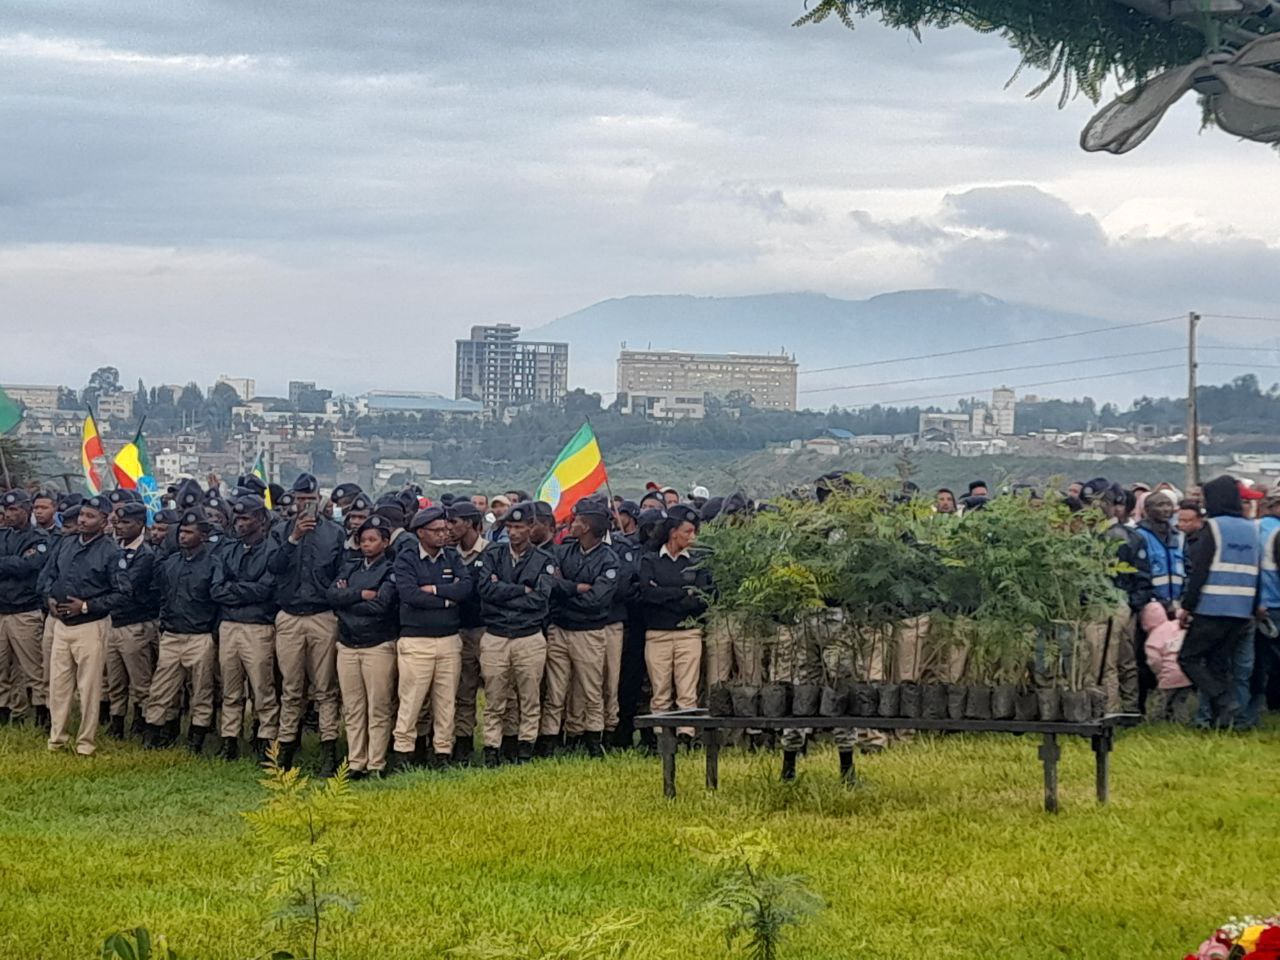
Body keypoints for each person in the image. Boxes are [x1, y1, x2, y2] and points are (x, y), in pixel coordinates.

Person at [268, 473, 345, 772]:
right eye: (300, 500)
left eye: (310, 500)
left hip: (322, 615)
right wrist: (294, 538)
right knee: (291, 687)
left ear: (318, 498)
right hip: (289, 616)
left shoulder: (334, 533)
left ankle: (328, 749)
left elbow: (342, 573)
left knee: (325, 688)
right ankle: (286, 747)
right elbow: (273, 566)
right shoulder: (280, 530)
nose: (305, 505)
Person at [391, 506, 472, 770]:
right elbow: (410, 596)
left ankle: (442, 754)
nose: (443, 535)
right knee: (412, 701)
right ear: (421, 532)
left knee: (446, 701)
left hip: (449, 639)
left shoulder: (451, 556)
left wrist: (436, 590)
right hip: (417, 641)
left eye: (445, 530)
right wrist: (447, 601)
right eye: (436, 531)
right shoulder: (406, 558)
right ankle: (404, 753)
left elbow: (465, 588)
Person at [39, 494, 121, 756]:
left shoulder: (111, 551)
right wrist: (50, 598)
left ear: (104, 521)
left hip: (91, 625)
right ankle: (57, 739)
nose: (83, 520)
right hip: (61, 623)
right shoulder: (66, 543)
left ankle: (85, 743)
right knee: (59, 684)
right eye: (82, 515)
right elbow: (47, 575)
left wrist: (86, 606)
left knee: (89, 687)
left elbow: (122, 592)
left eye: (90, 516)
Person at [476, 502, 554, 766]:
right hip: (496, 634)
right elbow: (485, 591)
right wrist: (521, 590)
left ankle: (525, 748)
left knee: (529, 697)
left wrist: (504, 590)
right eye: (509, 527)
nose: (513, 532)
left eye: (519, 527)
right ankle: (492, 748)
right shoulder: (493, 554)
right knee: (495, 697)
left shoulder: (544, 560)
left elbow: (541, 599)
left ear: (531, 528)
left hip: (528, 636)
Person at [539, 499, 619, 757]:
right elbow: (549, 583)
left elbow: (598, 599)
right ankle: (550, 741)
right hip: (560, 628)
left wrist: (565, 592)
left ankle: (594, 741)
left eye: (577, 521)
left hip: (589, 631)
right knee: (555, 689)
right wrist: (576, 588)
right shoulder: (564, 550)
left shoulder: (609, 559)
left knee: (591, 689)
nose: (572, 524)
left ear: (586, 527)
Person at [1178, 475, 1259, 729]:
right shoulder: (1251, 528)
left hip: (1212, 606)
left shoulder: (1213, 527)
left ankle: (1225, 701)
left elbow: (1200, 570)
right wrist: (1254, 608)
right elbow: (1256, 572)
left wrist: (1187, 606)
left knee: (1188, 658)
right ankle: (1221, 722)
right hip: (1242, 610)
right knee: (1217, 666)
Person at [328, 515, 399, 779]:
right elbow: (333, 596)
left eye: (372, 540)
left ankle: (376, 762)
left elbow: (381, 605)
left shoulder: (390, 570)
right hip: (347, 643)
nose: (367, 545)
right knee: (353, 706)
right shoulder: (350, 567)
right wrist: (360, 594)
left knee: (378, 705)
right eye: (363, 540)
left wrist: (348, 601)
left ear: (385, 541)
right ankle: (355, 761)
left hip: (377, 644)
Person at [210, 494, 279, 761]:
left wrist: (235, 589)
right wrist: (244, 590)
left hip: (258, 627)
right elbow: (216, 589)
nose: (239, 523)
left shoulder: (273, 550)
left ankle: (265, 738)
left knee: (262, 687)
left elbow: (266, 590)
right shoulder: (229, 549)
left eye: (245, 518)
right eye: (237, 518)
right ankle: (230, 739)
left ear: (261, 519)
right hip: (229, 626)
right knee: (231, 687)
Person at [145, 510, 219, 752]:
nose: (183, 536)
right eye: (182, 532)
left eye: (190, 532)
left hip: (200, 635)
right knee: (160, 688)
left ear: (204, 535)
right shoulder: (171, 563)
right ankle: (152, 736)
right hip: (173, 634)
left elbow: (217, 600)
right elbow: (162, 595)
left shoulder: (213, 563)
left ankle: (195, 741)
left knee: (201, 690)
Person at [639, 504, 710, 747]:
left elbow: (700, 599)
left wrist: (665, 594)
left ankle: (686, 736)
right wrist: (681, 593)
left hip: (688, 633)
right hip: (657, 634)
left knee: (687, 690)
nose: (693, 537)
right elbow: (647, 594)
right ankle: (662, 737)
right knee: (660, 690)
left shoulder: (698, 562)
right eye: (688, 531)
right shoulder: (650, 559)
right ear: (673, 532)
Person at [105, 501, 157, 740]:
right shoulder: (114, 549)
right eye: (119, 521)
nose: (121, 527)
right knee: (115, 679)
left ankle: (144, 722)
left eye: (127, 522)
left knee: (140, 681)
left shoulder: (145, 554)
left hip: (134, 624)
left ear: (140, 524)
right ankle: (117, 723)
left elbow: (128, 586)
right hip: (113, 622)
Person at [0, 489, 51, 725]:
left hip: (25, 611)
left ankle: (42, 712)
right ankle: (10, 710)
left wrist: (9, 563)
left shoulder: (39, 538)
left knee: (33, 668)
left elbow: (27, 566)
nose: (8, 515)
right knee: (2, 668)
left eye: (13, 509)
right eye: (6, 510)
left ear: (26, 509)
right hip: (2, 610)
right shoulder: (3, 535)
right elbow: (17, 564)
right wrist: (13, 562)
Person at [446, 500, 488, 763]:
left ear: (470, 523)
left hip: (485, 627)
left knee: (496, 689)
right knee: (463, 690)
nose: (448, 528)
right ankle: (462, 742)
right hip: (458, 627)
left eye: (454, 522)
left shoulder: (492, 552)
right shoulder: (450, 554)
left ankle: (499, 742)